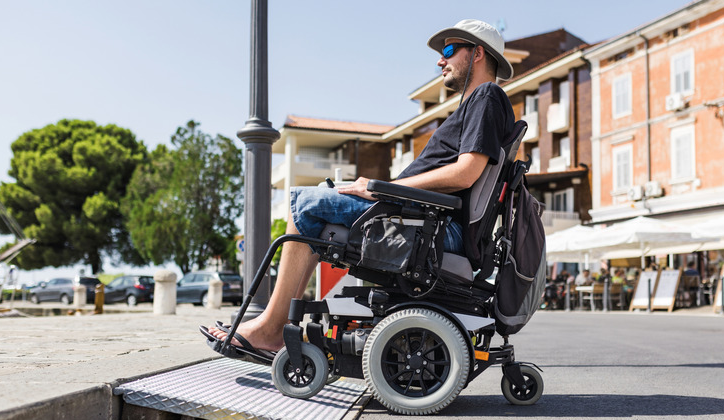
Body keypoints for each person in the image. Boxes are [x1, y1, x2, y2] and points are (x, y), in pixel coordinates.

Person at [205, 19, 516, 356]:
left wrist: (381, 189)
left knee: (304, 202)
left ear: (479, 54)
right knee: (315, 213)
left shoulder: (486, 96)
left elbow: (466, 173)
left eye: (449, 50)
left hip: (431, 227)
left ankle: (271, 328)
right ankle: (276, 325)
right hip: (424, 218)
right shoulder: (477, 104)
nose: (440, 60)